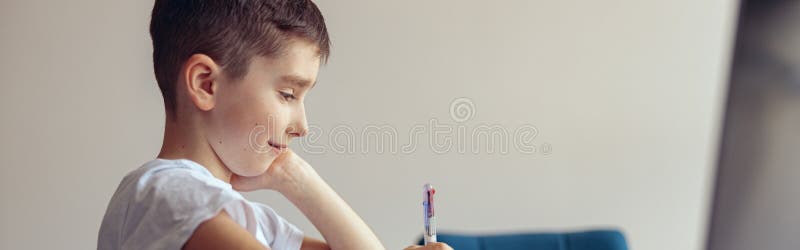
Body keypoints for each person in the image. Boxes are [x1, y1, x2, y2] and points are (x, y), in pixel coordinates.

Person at [97, 1, 453, 249]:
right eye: (287, 94)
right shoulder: (168, 195)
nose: (303, 126)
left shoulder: (244, 217)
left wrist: (296, 177)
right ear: (206, 84)